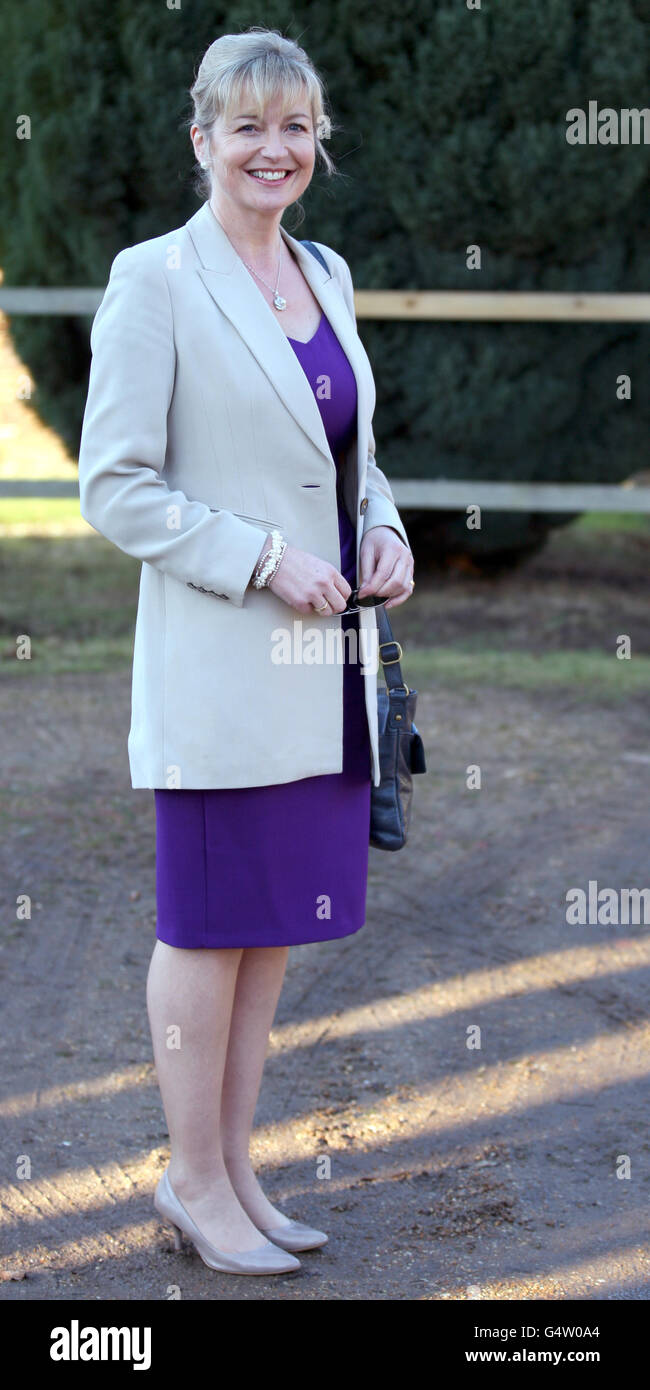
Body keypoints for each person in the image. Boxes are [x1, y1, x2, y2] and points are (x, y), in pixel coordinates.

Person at [78, 27, 414, 1277]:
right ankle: (189, 1181)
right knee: (207, 928)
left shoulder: (323, 270)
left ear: (315, 139)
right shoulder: (152, 278)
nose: (273, 149)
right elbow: (116, 488)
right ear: (201, 137)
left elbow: (352, 461)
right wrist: (266, 558)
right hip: (223, 665)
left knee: (269, 929)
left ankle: (231, 1173)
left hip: (324, 669)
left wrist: (382, 534)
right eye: (247, 126)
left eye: (295, 126)